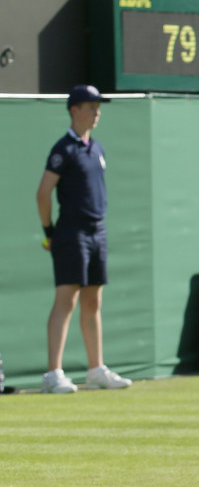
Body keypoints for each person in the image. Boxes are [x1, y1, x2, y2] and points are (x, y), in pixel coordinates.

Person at [37, 85, 131, 395]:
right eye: (91, 107)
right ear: (74, 110)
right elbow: (43, 193)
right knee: (67, 300)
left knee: (93, 300)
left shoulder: (97, 148)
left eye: (98, 107)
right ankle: (53, 374)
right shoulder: (63, 150)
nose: (96, 112)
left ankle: (95, 370)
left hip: (97, 231)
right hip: (71, 232)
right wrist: (49, 232)